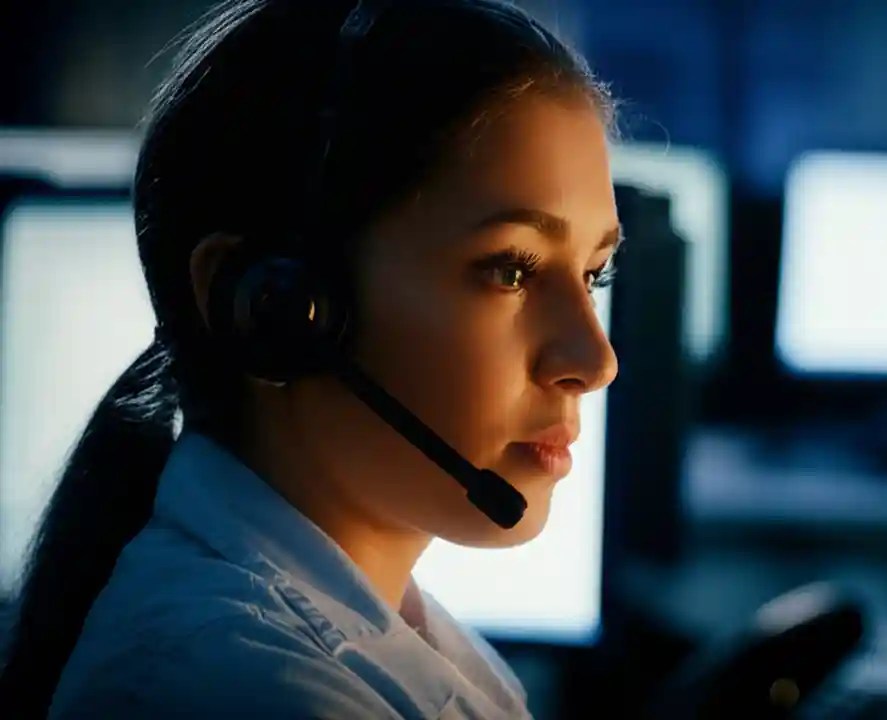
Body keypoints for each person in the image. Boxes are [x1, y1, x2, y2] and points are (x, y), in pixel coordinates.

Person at [0, 0, 620, 717]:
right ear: (275, 310)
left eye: (593, 274)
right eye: (511, 269)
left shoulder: (424, 646)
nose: (594, 358)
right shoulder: (233, 688)